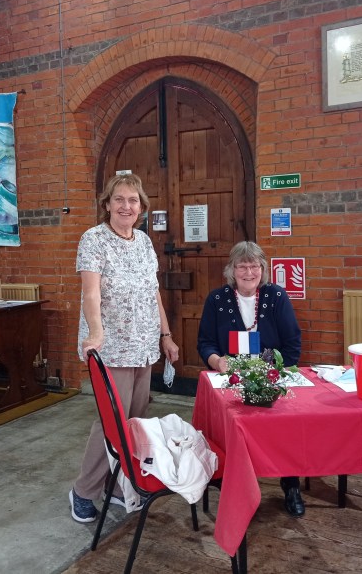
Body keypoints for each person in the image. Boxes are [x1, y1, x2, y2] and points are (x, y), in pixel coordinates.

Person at [70, 173, 179, 523]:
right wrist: (97, 333)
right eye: (119, 199)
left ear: (141, 208)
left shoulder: (144, 242)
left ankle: (115, 485)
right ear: (107, 205)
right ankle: (83, 491)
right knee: (111, 422)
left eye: (133, 201)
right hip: (111, 346)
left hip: (144, 344)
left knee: (134, 419)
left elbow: (153, 293)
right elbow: (91, 293)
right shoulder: (94, 239)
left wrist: (166, 335)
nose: (126, 206)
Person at [197, 241, 305, 517]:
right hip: (230, 379)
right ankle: (231, 485)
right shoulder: (217, 300)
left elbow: (292, 343)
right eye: (242, 266)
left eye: (254, 266)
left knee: (286, 426)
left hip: (271, 378)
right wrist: (217, 361)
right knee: (228, 426)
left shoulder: (276, 296)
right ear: (232, 270)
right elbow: (205, 343)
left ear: (262, 269)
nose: (248, 272)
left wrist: (277, 374)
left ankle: (291, 484)